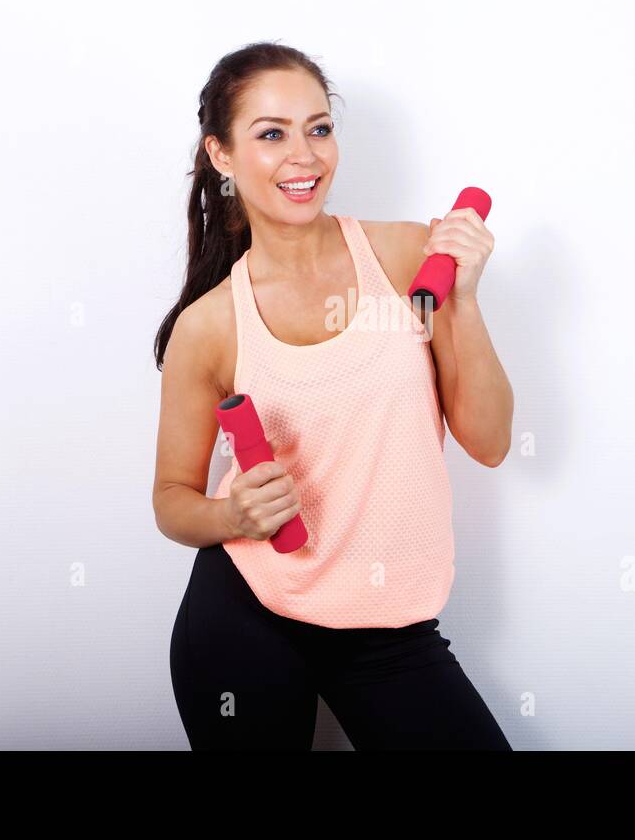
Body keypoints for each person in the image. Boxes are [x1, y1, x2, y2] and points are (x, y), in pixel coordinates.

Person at [152, 41, 513, 750]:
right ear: (221, 155)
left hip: (387, 629)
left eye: (319, 128)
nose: (305, 155)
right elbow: (171, 500)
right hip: (245, 616)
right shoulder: (211, 326)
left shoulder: (409, 257)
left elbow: (491, 442)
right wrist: (231, 512)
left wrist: (464, 301)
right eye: (271, 134)